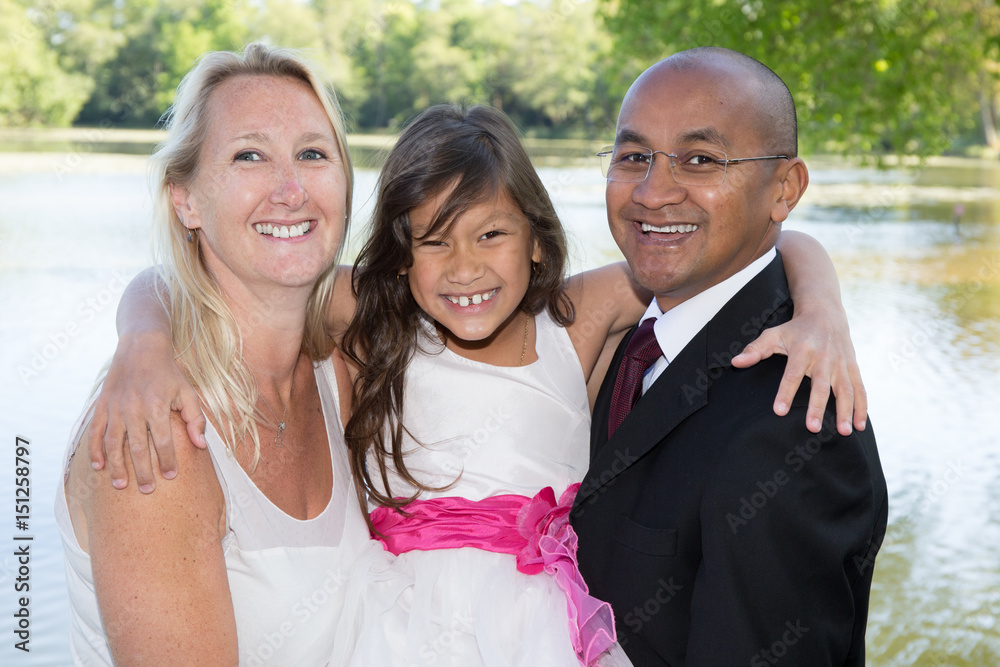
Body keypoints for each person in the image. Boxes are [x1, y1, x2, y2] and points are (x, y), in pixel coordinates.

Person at [85, 99, 866, 665]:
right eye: (433, 242)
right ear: (400, 253)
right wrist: (144, 341)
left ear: (535, 241)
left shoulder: (575, 318)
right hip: (397, 620)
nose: (464, 269)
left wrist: (822, 308)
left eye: (492, 234)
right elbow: (191, 280)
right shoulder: (375, 316)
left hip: (542, 623)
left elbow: (759, 242)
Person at [54, 43, 383, 665]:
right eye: (248, 155)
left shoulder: (343, 363)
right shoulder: (154, 431)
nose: (290, 190)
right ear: (186, 199)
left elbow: (489, 287)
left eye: (313, 154)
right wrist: (145, 336)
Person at [570, 47, 889, 665]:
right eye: (634, 156)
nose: (653, 192)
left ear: (785, 188)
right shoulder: (621, 338)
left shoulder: (793, 426)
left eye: (700, 160)